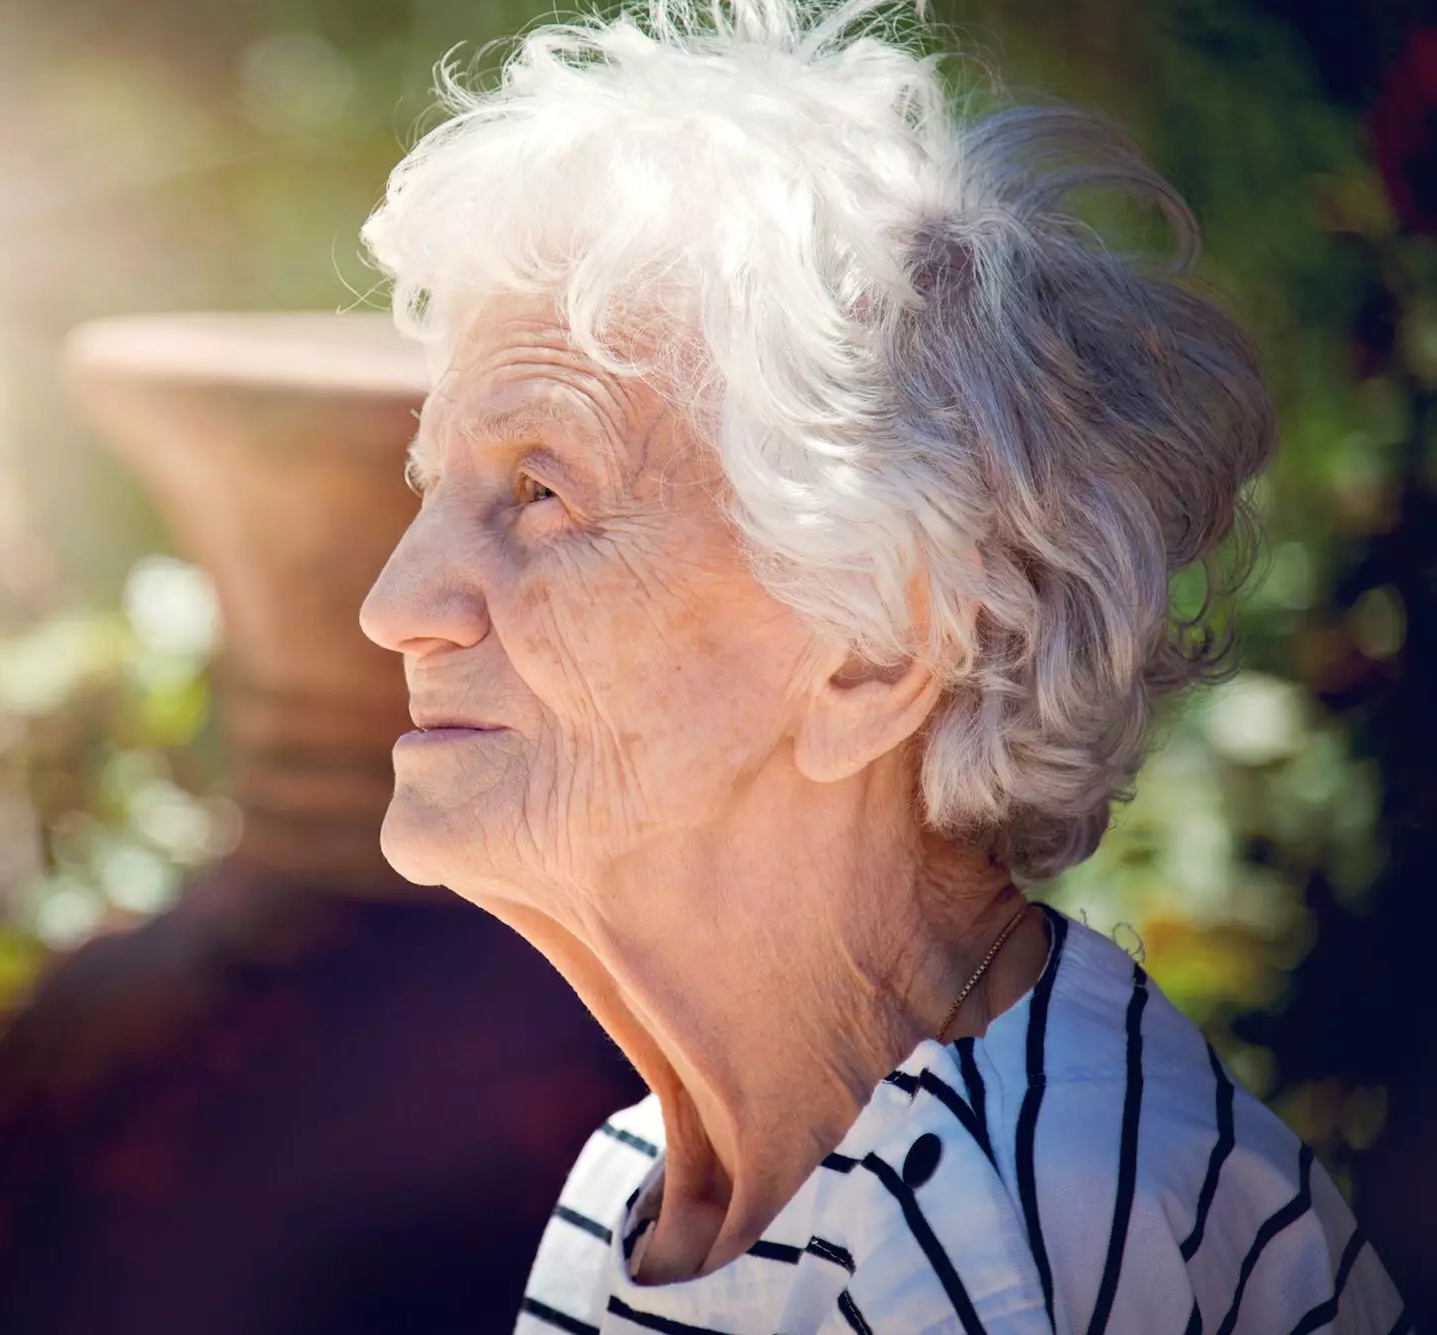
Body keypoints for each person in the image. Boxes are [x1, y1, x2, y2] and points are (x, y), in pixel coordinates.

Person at [355, 2, 1410, 1330]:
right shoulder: (660, 1185)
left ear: (874, 651)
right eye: (431, 484)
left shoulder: (1003, 1225)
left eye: (540, 488)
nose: (398, 605)